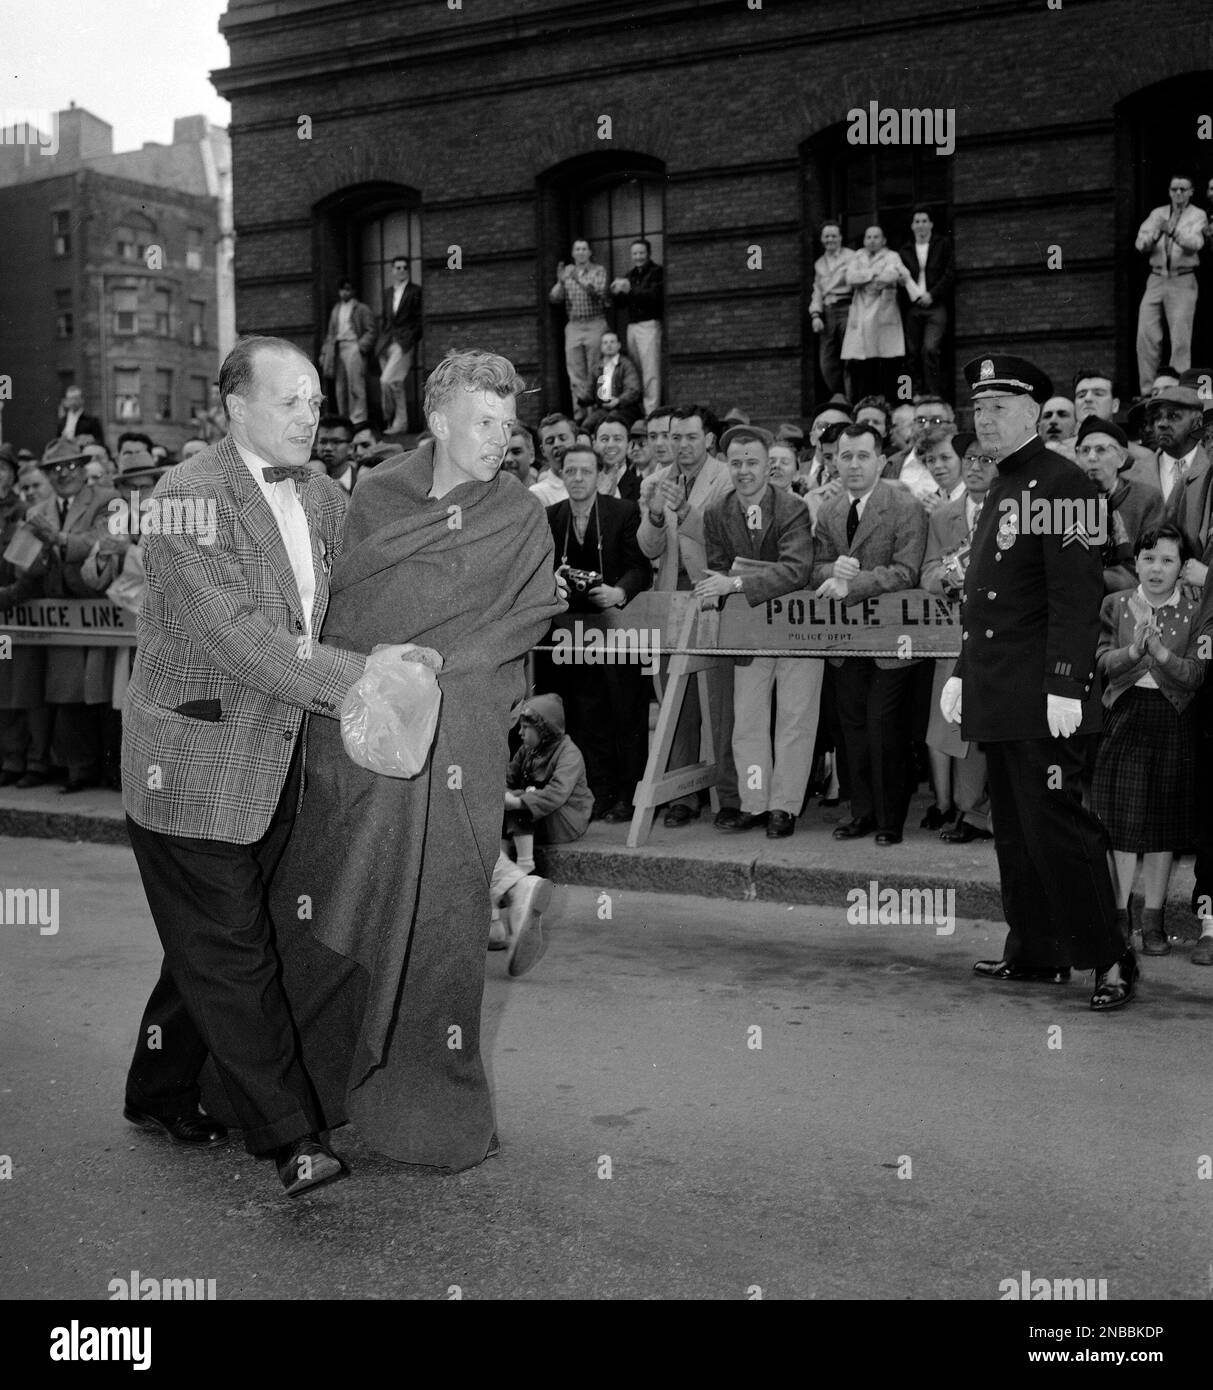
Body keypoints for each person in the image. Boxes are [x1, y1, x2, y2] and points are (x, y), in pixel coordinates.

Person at [266, 349, 565, 1174]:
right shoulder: (376, 494)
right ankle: (315, 1090)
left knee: (440, 920)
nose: (501, 438)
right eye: (483, 421)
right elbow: (342, 610)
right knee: (339, 897)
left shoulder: (520, 514)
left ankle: (430, 1107)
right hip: (366, 734)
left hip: (460, 734)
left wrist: (446, 665)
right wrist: (382, 672)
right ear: (437, 421)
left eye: (509, 424)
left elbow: (529, 616)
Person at [120, 334, 376, 1197]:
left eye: (316, 399)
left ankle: (158, 1089)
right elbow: (239, 639)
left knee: (209, 943)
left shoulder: (325, 493)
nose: (311, 414)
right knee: (233, 952)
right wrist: (367, 683)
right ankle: (291, 1137)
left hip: (280, 766)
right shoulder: (182, 500)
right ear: (236, 407)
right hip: (189, 764)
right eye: (290, 399)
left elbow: (373, 585)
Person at [942, 354, 1134, 1010]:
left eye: (998, 408)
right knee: (1015, 831)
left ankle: (1110, 958)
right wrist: (964, 672)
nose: (984, 420)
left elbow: (1075, 596)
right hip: (999, 688)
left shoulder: (1065, 485)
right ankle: (1037, 949)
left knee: (1059, 827)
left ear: (1032, 413)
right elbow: (991, 597)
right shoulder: (1003, 485)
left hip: (1043, 695)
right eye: (978, 409)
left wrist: (1065, 682)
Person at [1092, 523, 1205, 961]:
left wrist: (1159, 654)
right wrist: (1134, 652)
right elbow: (1103, 663)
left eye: (1168, 560)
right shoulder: (1116, 605)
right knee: (1121, 826)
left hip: (1173, 721)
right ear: (1135, 563)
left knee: (1162, 826)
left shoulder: (1195, 611)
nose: (1157, 569)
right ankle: (1119, 916)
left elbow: (1194, 675)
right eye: (1148, 559)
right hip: (1124, 719)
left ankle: (1154, 919)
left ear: (1183, 567)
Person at [700, 425, 818, 839]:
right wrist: (726, 583)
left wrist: (737, 583)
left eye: (752, 462)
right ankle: (754, 802)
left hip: (799, 630)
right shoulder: (716, 512)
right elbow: (716, 568)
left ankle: (784, 806)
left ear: (769, 466)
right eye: (736, 463)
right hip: (749, 632)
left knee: (795, 719)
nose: (744, 471)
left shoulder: (793, 508)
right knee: (747, 721)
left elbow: (797, 569)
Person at [812, 423, 927, 844]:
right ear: (834, 462)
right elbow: (814, 568)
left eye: (863, 456)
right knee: (852, 729)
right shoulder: (829, 510)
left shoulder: (905, 506)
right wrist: (832, 570)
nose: (854, 465)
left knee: (883, 727)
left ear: (881, 461)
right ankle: (861, 813)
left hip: (893, 642)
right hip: (845, 640)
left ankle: (890, 820)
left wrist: (853, 583)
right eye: (846, 456)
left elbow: (907, 571)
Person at [637, 403, 740, 828]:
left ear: (709, 439)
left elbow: (726, 541)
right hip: (670, 601)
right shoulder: (654, 481)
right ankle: (683, 795)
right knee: (674, 701)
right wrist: (656, 514)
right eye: (673, 436)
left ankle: (729, 795)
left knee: (719, 701)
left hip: (713, 598)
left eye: (690, 437)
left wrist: (685, 513)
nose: (680, 445)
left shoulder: (727, 477)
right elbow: (648, 548)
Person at [0, 438, 119, 793]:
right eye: (54, 469)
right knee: (66, 695)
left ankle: (107, 771)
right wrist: (40, 555)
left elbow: (102, 542)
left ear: (83, 469)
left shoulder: (107, 499)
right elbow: (21, 564)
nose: (63, 474)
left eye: (70, 467)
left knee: (103, 696)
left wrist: (59, 539)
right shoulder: (40, 509)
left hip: (100, 609)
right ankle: (76, 770)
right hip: (59, 613)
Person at [546, 443, 652, 822]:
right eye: (570, 471)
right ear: (561, 475)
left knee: (627, 712)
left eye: (586, 471)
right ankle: (599, 792)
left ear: (600, 476)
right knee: (585, 715)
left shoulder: (622, 512)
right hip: (572, 634)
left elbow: (641, 569)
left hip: (621, 629)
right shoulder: (551, 517)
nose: (577, 478)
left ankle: (630, 794)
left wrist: (618, 592)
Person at [920, 433, 995, 843]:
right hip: (956, 636)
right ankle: (970, 810)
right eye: (969, 458)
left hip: (1002, 636)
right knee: (961, 723)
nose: (975, 466)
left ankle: (994, 813)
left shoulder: (1015, 511)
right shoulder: (943, 516)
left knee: (996, 727)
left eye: (986, 459)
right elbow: (928, 572)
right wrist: (950, 578)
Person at [0, 445, 51, 789]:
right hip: (5, 617)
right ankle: (11, 758)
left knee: (26, 690)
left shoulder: (24, 514)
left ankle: (34, 761)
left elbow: (27, 572)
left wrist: (7, 597)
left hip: (22, 613)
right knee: (4, 688)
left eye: (2, 469)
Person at [1135, 175, 1208, 392]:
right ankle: (1148, 390)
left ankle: (1178, 390)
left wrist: (1172, 231)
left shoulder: (1197, 215)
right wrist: (1154, 235)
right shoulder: (1158, 213)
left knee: (1180, 337)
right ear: (1168, 191)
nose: (1178, 193)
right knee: (1146, 334)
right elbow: (1140, 243)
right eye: (1174, 189)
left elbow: (1195, 243)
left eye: (1183, 189)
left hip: (1182, 278)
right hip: (1157, 277)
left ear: (1191, 192)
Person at [1074, 417, 1164, 592]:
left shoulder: (1146, 498)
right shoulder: (1065, 498)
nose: (1091, 457)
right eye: (1084, 451)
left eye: (1101, 450)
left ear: (1121, 458)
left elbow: (1152, 559)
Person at [503, 693, 593, 861]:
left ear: (544, 729)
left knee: (519, 808)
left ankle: (524, 863)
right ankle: (501, 863)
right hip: (542, 814)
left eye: (526, 727)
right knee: (501, 810)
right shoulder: (527, 749)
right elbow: (508, 777)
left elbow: (557, 793)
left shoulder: (569, 754)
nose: (520, 732)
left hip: (566, 820)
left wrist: (518, 801)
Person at [842, 225, 919, 402]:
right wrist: (874, 273)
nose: (872, 241)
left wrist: (866, 279)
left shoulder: (892, 256)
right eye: (868, 237)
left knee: (888, 358)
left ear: (883, 240)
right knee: (865, 360)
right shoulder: (858, 256)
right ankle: (868, 401)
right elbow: (850, 278)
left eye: (876, 237)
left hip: (884, 311)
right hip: (862, 312)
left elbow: (891, 276)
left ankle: (893, 401)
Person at [550, 239, 609, 424]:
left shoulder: (598, 271)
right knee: (576, 374)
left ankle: (597, 415)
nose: (581, 252)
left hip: (595, 323)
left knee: (596, 369)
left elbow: (598, 293)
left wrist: (576, 277)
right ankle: (580, 417)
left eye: (584, 249)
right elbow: (554, 298)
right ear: (573, 253)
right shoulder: (567, 272)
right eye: (577, 249)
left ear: (590, 252)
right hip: (574, 325)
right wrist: (561, 281)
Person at [898, 209, 953, 397]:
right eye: (917, 221)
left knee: (930, 349)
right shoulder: (905, 251)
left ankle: (934, 395)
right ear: (912, 226)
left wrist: (933, 294)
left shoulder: (942, 244)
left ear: (931, 224)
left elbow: (949, 273)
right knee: (911, 352)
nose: (920, 225)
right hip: (913, 308)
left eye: (924, 221)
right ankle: (914, 395)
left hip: (935, 306)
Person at [610, 238, 664, 415]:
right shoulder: (630, 275)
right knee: (636, 370)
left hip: (649, 324)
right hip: (632, 326)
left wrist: (629, 290)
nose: (638, 256)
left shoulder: (657, 272)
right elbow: (621, 304)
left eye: (641, 253)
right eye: (635, 253)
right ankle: (640, 410)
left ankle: (652, 412)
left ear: (649, 253)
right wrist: (615, 292)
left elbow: (654, 297)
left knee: (650, 371)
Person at [320, 279, 377, 426]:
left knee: (356, 385)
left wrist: (360, 346)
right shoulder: (336, 309)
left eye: (347, 289)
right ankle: (344, 420)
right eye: (342, 289)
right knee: (341, 387)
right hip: (338, 348)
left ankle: (359, 419)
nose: (344, 292)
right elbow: (330, 334)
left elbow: (371, 330)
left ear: (353, 291)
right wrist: (325, 353)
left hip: (353, 346)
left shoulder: (361, 308)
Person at [376, 256, 422, 434]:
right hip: (386, 343)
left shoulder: (415, 291)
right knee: (396, 384)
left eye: (405, 267)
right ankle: (400, 424)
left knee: (386, 381)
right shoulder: (387, 292)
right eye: (398, 268)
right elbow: (385, 318)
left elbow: (419, 319)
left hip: (404, 343)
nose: (402, 270)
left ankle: (387, 416)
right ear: (392, 271)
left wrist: (411, 338)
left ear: (408, 270)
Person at [809, 220, 856, 398]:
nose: (830, 239)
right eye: (827, 236)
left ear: (841, 237)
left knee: (850, 358)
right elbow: (817, 291)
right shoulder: (819, 264)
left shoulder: (851, 257)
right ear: (822, 239)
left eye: (834, 236)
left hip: (847, 308)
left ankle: (851, 399)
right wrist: (815, 315)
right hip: (828, 312)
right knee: (827, 362)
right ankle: (840, 396)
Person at [584, 331, 642, 432]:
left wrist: (618, 401)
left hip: (624, 407)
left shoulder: (626, 364)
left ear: (619, 345)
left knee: (612, 420)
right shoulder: (596, 367)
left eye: (612, 342)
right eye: (605, 343)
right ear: (601, 347)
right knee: (587, 425)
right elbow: (589, 391)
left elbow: (633, 389)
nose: (609, 345)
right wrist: (584, 397)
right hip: (603, 409)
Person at [315, 414, 357, 492]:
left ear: (351, 448)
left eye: (336, 442)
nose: (328, 448)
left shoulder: (362, 479)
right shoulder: (303, 478)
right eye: (323, 442)